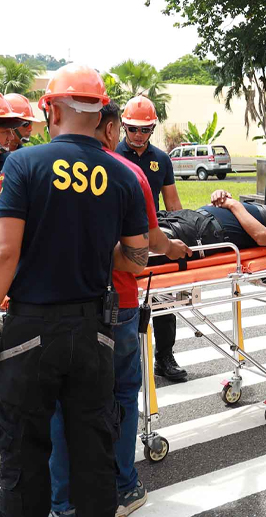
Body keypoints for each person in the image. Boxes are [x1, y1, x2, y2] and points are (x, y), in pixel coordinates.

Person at [0, 64, 150, 517]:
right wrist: (95, 251)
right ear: (102, 113)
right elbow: (137, 260)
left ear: (51, 111)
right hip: (94, 330)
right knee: (93, 450)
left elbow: (7, 252)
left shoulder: (23, 163)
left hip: (31, 327)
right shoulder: (122, 174)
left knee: (23, 452)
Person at [48, 102, 191, 517]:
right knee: (122, 395)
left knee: (63, 403)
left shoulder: (35, 167)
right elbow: (142, 250)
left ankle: (63, 501)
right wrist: (170, 248)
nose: (138, 135)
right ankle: (124, 488)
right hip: (119, 303)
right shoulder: (127, 174)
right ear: (112, 129)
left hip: (59, 306)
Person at [115, 95, 186, 381]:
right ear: (123, 126)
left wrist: (184, 231)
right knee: (125, 306)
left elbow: (173, 204)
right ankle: (125, 363)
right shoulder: (113, 156)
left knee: (165, 302)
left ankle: (164, 357)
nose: (139, 135)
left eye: (145, 130)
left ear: (153, 128)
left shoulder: (161, 160)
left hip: (154, 237)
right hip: (122, 240)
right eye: (133, 129)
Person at [159, 193, 266, 252]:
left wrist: (233, 204)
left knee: (145, 242)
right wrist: (221, 197)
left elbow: (263, 237)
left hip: (200, 230)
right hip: (191, 218)